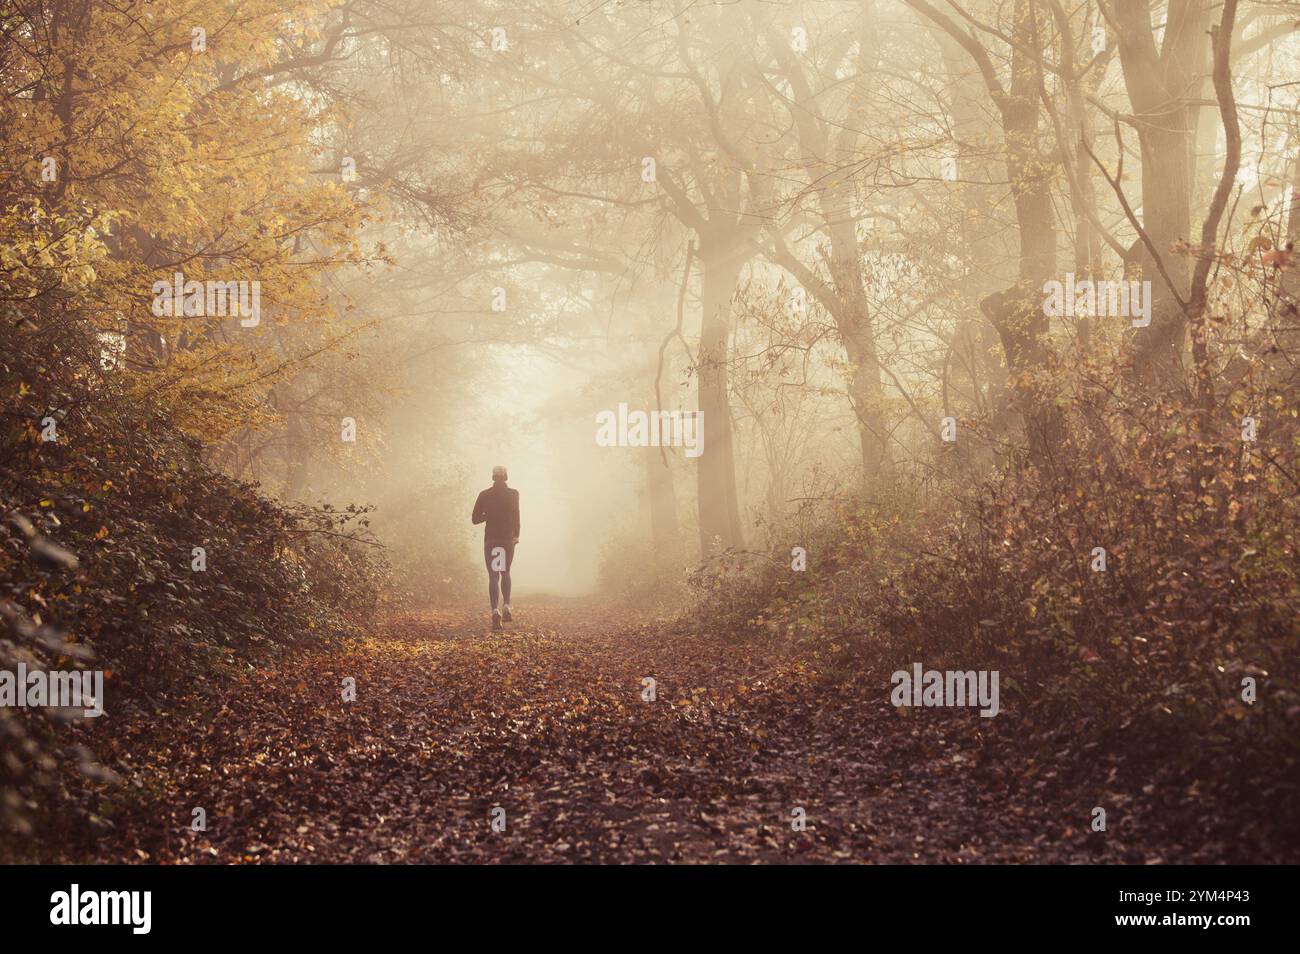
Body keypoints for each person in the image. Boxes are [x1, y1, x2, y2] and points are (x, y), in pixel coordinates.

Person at [471, 465, 520, 630]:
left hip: (491, 539)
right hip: (507, 539)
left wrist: (489, 514)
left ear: (493, 477)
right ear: (506, 477)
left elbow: (475, 519)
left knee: (493, 575)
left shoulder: (484, 495)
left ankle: (494, 612)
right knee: (505, 572)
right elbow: (516, 516)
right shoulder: (513, 494)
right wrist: (516, 536)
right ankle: (506, 605)